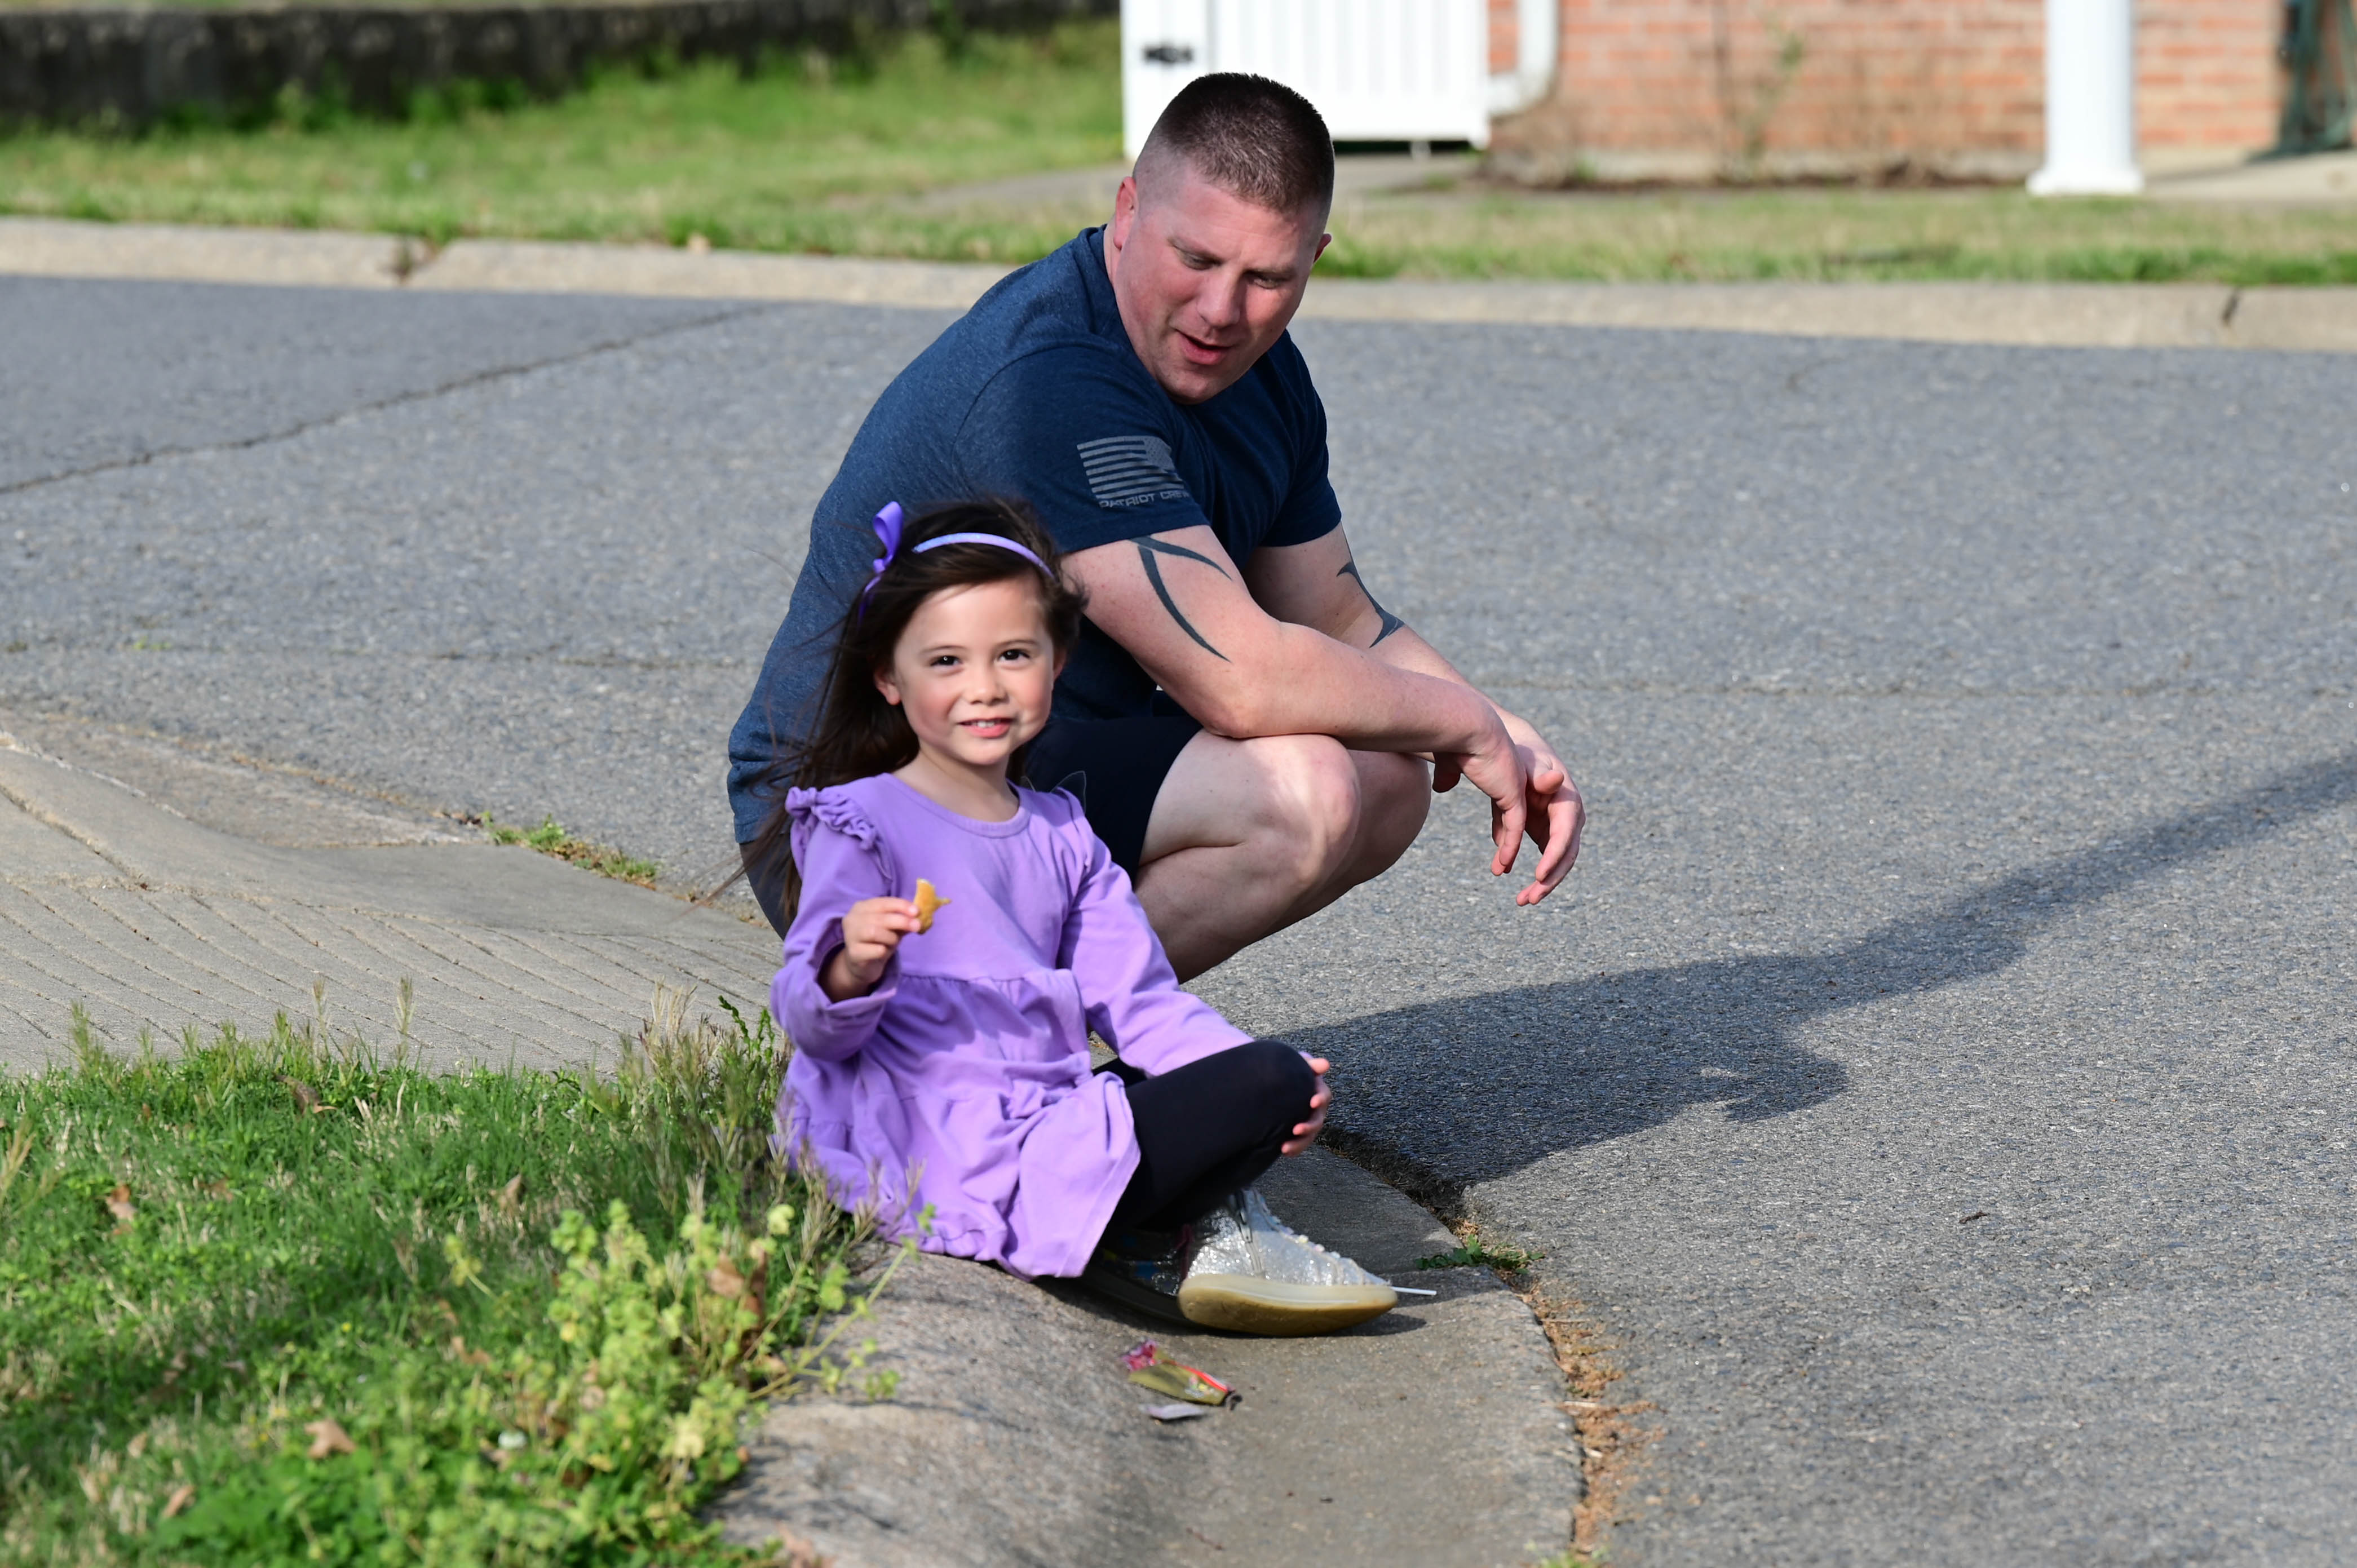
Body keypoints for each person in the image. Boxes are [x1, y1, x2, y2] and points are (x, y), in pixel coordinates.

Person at [729, 72, 1584, 978]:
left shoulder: (1266, 376)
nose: (1223, 311)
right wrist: (1461, 721)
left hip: (1022, 760)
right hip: (850, 815)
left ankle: (1010, 1055)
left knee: (1386, 779)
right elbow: (1241, 683)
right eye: (1196, 258)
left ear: (1315, 259)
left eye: (1266, 277)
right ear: (1128, 207)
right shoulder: (1051, 378)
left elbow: (1334, 621)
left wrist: (1503, 732)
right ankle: (958, 1065)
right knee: (1303, 794)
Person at [764, 496, 1399, 1335]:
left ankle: (1112, 1227)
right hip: (921, 1132)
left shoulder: (1063, 833)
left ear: (1057, 661)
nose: (983, 688)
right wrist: (851, 964)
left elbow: (1139, 1004)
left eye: (1013, 654)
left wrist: (1251, 1076)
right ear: (889, 677)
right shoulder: (860, 819)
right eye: (945, 661)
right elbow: (814, 1026)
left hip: (1042, 1120)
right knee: (1247, 1085)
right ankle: (1125, 1230)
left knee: (1269, 1078)